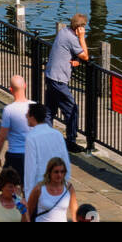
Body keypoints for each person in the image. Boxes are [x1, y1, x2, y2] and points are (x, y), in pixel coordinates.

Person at [45, 13, 89, 147]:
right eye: (84, 27)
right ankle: (71, 141)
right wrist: (82, 38)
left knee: (50, 109)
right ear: (79, 28)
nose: (85, 30)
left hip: (50, 75)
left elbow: (70, 52)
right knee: (72, 109)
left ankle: (45, 137)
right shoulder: (72, 38)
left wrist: (76, 60)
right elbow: (86, 56)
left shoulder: (63, 31)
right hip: (59, 79)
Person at [23, 101, 68, 198]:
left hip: (40, 188)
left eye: (27, 114)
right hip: (57, 186)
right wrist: (64, 186)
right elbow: (65, 162)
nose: (26, 117)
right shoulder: (58, 135)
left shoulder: (31, 137)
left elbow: (30, 169)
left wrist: (28, 195)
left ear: (33, 117)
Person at [0, 74, 31, 178]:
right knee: (29, 187)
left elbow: (2, 136)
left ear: (10, 89)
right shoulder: (35, 106)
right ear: (25, 86)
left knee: (10, 185)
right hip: (32, 155)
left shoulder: (9, 110)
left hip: (15, 155)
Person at [27, 156, 76, 222]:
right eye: (56, 172)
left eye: (62, 172)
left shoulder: (69, 188)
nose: (59, 175)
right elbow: (28, 213)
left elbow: (75, 213)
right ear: (49, 172)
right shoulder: (39, 189)